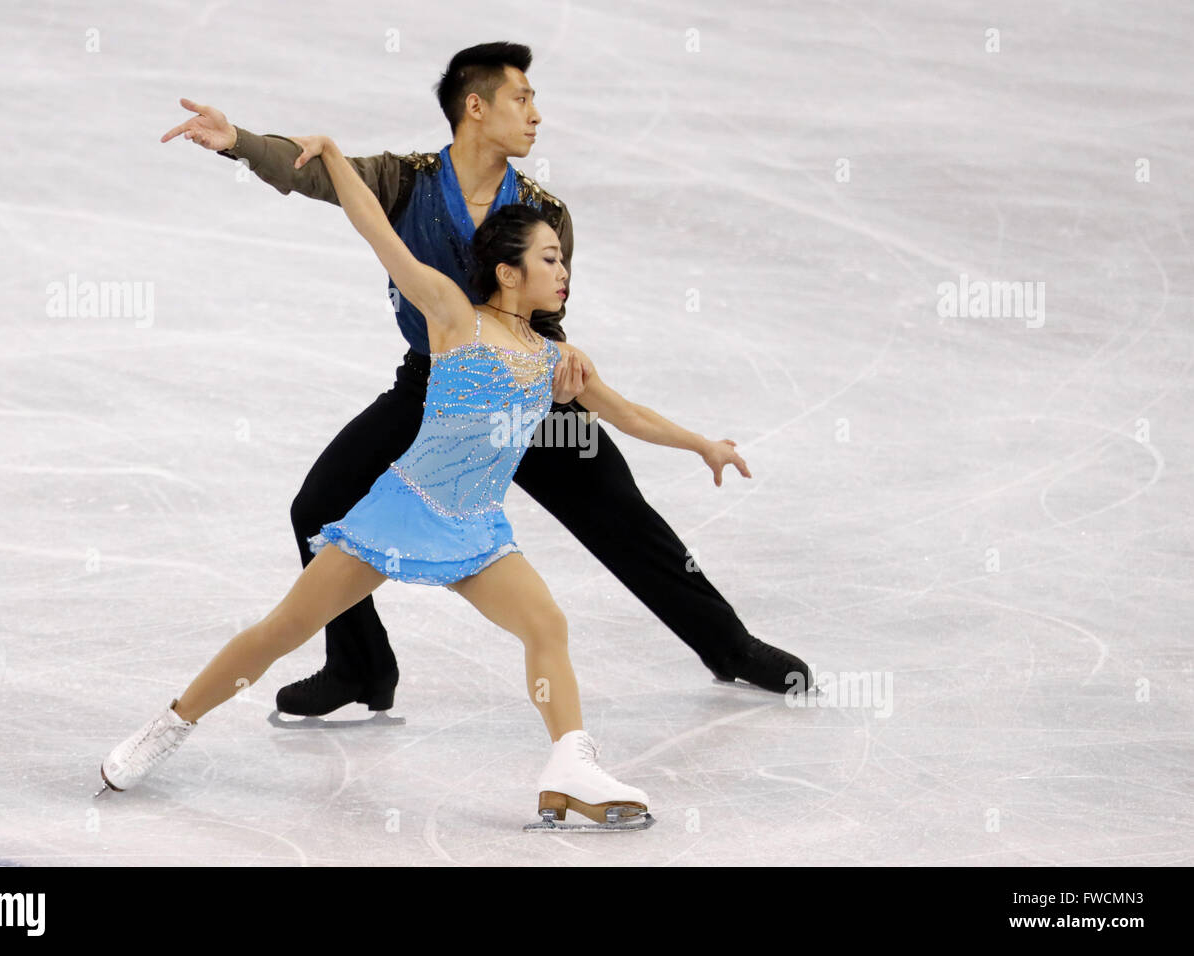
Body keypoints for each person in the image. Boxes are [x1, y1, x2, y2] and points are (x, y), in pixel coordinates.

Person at [101, 132, 756, 828]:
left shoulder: (559, 357)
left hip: (477, 527)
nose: (564, 271)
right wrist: (331, 161)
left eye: (562, 259)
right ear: (509, 271)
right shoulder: (453, 315)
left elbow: (629, 414)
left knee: (547, 624)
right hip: (404, 510)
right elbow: (378, 233)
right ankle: (169, 726)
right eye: (550, 258)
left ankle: (570, 760)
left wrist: (700, 444)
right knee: (283, 629)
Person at [159, 41, 808, 721]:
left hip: (528, 392)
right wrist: (239, 141)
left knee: (623, 514)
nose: (536, 116)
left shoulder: (540, 211)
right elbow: (326, 176)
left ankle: (728, 644)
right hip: (434, 388)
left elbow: (549, 315)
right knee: (318, 505)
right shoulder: (405, 179)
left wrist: (566, 367)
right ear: (476, 106)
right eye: (521, 99)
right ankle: (360, 666)